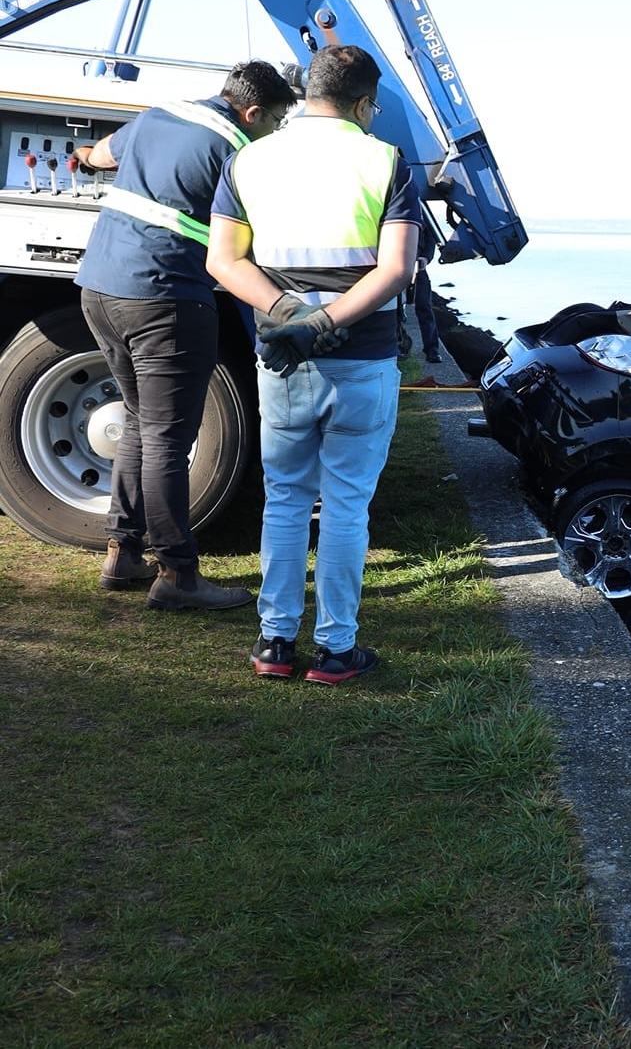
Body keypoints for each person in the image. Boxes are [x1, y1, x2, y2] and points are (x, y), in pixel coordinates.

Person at [207, 45, 419, 684]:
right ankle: (335, 650)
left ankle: (274, 643)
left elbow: (225, 261)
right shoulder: (384, 161)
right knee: (347, 507)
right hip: (363, 360)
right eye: (373, 105)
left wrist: (290, 318)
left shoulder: (249, 158)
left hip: (283, 361)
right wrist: (325, 322)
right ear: (361, 103)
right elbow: (396, 269)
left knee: (285, 501)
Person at [74, 61, 297, 608]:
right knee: (168, 441)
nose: (274, 130)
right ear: (252, 112)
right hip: (165, 299)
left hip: (99, 289)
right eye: (275, 120)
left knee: (138, 422)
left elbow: (100, 154)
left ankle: (123, 550)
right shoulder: (241, 152)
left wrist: (81, 158)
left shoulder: (159, 115)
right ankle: (177, 574)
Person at [410, 216, 442, 364]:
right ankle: (397, 349)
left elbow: (430, 239)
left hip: (418, 268)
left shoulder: (423, 213)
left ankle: (432, 350)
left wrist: (426, 258)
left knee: (424, 307)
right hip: (394, 267)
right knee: (394, 310)